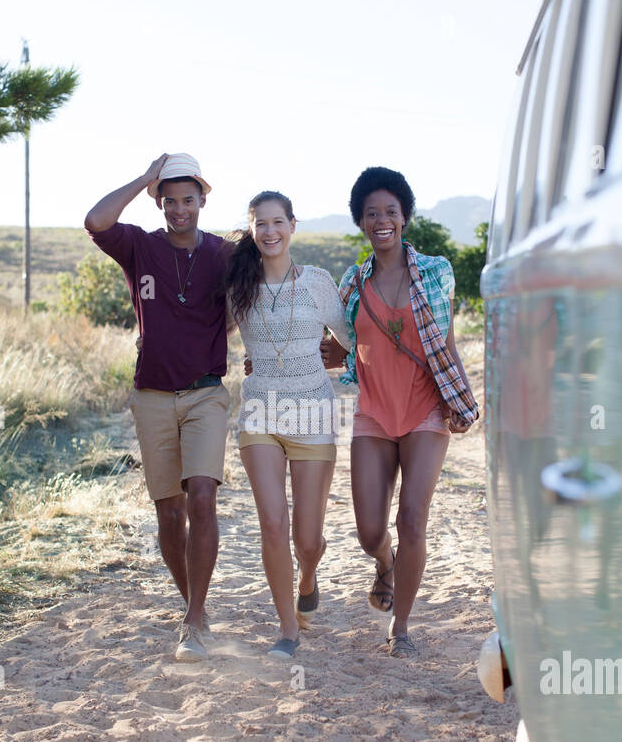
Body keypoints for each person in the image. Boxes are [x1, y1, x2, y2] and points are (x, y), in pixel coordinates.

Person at [84, 153, 232, 663]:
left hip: (206, 394)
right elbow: (96, 221)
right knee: (169, 512)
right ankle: (192, 604)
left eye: (188, 200)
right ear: (160, 203)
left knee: (202, 499)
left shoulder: (224, 254)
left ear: (202, 201)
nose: (179, 210)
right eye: (169, 201)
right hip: (151, 395)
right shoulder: (139, 248)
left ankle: (194, 617)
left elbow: (261, 291)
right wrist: (146, 178)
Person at [333, 166, 480, 659]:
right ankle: (383, 564)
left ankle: (401, 627)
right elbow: (342, 346)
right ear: (360, 221)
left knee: (412, 518)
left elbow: (448, 344)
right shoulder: (353, 283)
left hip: (424, 411)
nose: (382, 220)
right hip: (373, 412)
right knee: (369, 531)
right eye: (371, 213)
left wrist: (459, 397)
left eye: (390, 212)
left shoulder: (437, 271)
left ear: (405, 217)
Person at [225, 191, 352, 660]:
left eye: (278, 222)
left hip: (314, 415)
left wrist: (340, 358)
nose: (270, 231)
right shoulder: (239, 284)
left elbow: (353, 340)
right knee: (273, 523)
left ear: (293, 226)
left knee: (306, 538)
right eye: (261, 224)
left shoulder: (318, 283)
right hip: (260, 413)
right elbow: (207, 331)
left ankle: (308, 576)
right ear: (252, 229)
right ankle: (286, 628)